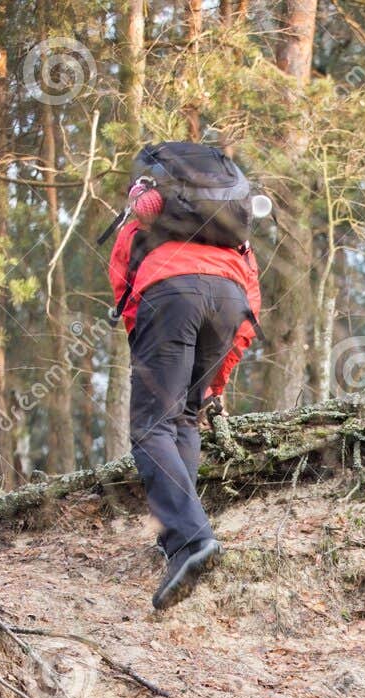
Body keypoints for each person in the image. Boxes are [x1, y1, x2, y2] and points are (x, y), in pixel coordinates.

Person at [108, 178, 261, 610]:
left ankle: (190, 537)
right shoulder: (234, 235)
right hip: (228, 300)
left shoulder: (141, 222)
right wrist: (219, 381)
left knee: (150, 425)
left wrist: (146, 346)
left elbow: (124, 287)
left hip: (170, 295)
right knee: (183, 418)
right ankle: (180, 541)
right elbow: (251, 309)